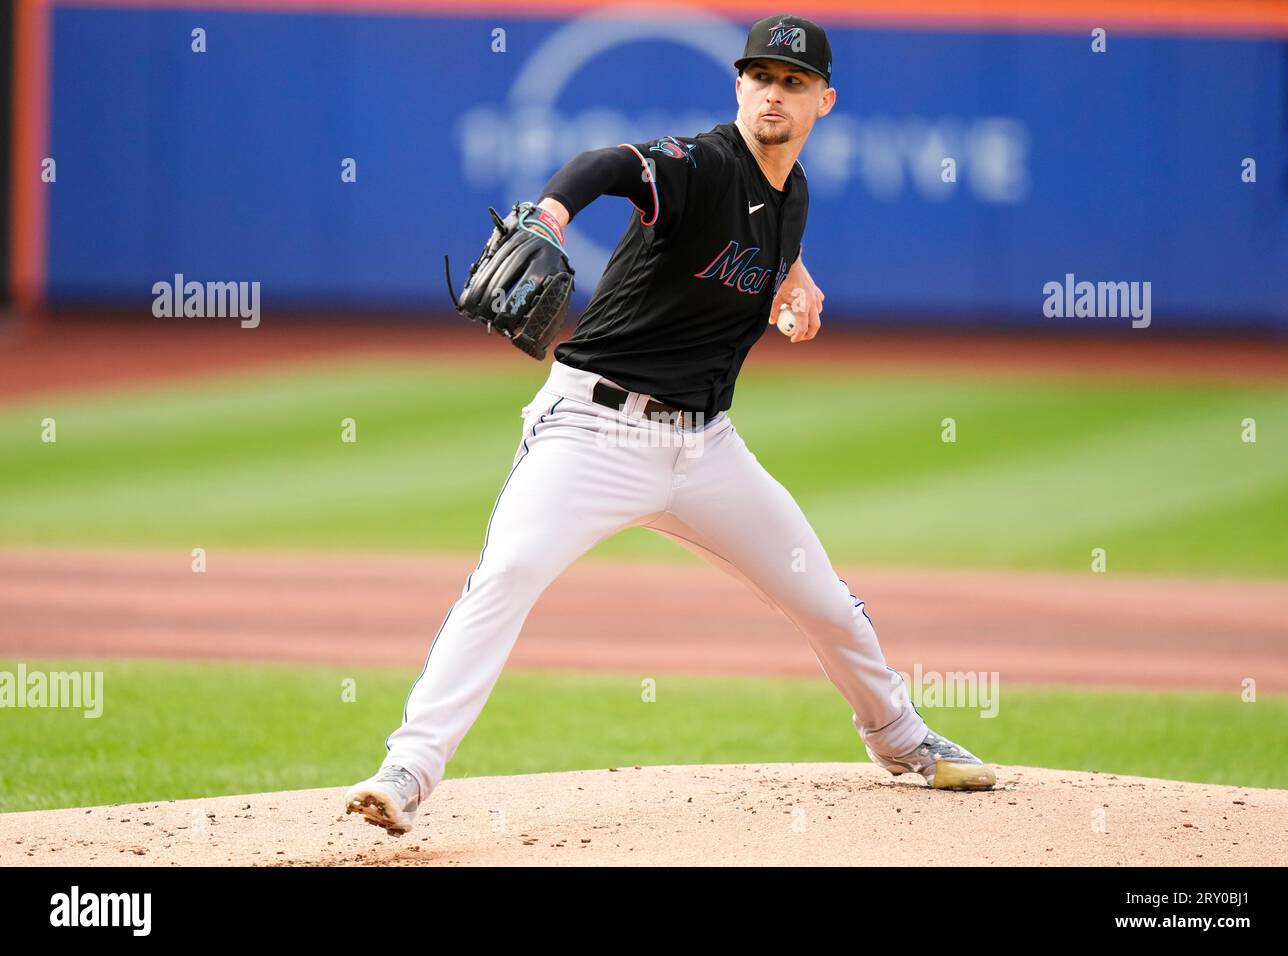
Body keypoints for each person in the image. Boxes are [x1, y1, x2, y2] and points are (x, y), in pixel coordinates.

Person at [344, 13, 994, 836]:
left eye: (793, 83)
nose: (773, 93)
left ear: (823, 102)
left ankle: (901, 738)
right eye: (761, 77)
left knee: (824, 600)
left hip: (706, 450)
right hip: (592, 432)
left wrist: (796, 281)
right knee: (507, 574)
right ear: (738, 87)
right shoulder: (701, 163)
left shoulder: (791, 193)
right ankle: (407, 769)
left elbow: (766, 236)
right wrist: (550, 216)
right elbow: (608, 164)